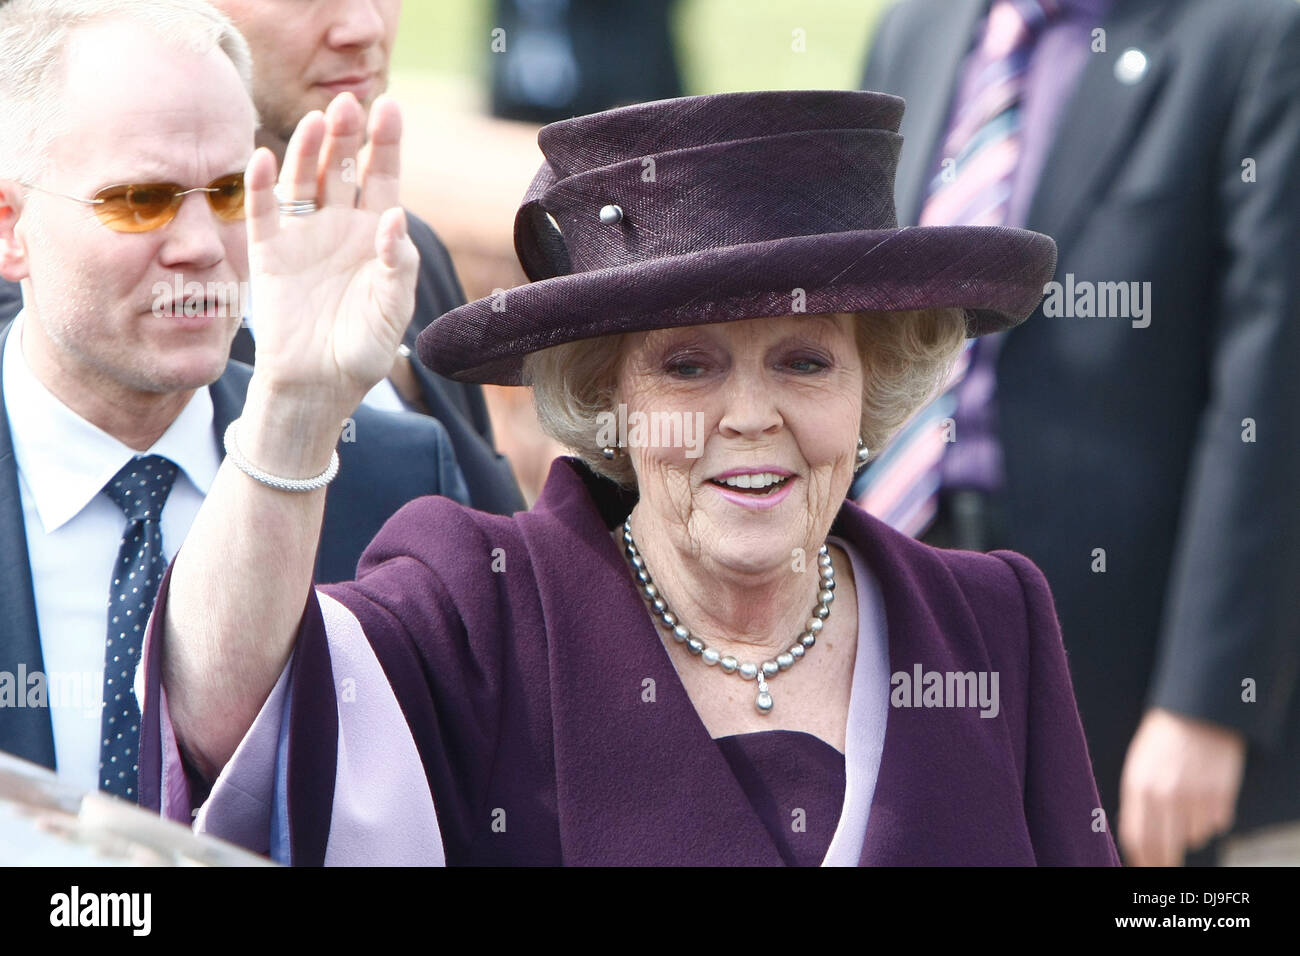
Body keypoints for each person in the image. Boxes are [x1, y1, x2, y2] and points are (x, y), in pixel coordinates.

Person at [140, 87, 1118, 866]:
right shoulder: (481, 608)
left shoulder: (990, 622)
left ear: (874, 385)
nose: (748, 415)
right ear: (606, 393)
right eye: (688, 364)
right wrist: (298, 408)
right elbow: (227, 720)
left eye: (804, 360)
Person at [856, 0, 1300, 865]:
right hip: (895, 594)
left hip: (1114, 665)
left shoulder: (1256, 36)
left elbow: (1272, 393)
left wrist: (1204, 702)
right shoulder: (918, 26)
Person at [0, 0, 468, 800]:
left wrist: (307, 401)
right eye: (140, 200)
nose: (201, 246)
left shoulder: (392, 484)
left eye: (227, 193)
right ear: (11, 227)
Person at [0, 0, 526, 516]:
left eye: (234, 192)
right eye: (141, 202)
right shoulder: (44, 289)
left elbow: (497, 556)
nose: (363, 27)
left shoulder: (396, 254)